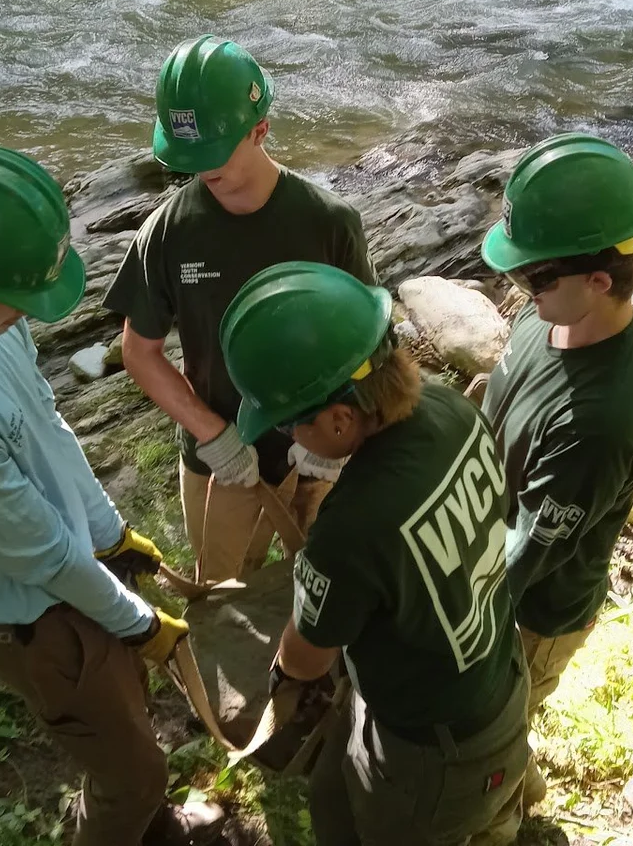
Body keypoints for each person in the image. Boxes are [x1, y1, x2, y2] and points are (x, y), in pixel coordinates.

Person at [0, 145, 221, 846]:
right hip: (42, 622)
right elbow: (45, 560)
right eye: (17, 299)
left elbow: (48, 428)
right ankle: (127, 819)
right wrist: (139, 620)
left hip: (78, 578)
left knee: (130, 731)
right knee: (130, 772)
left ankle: (148, 828)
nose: (28, 313)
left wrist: (110, 531)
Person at [219, 261, 529, 846]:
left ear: (340, 419)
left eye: (287, 425)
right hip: (493, 675)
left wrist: (284, 669)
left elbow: (307, 658)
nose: (285, 438)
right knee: (342, 806)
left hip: (430, 749)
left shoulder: (351, 528)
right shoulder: (451, 410)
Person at [104, 35, 375, 583]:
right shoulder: (169, 234)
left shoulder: (328, 223)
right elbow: (140, 352)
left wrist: (342, 435)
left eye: (214, 154)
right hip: (219, 458)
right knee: (224, 589)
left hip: (322, 445)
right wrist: (212, 435)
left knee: (326, 577)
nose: (203, 171)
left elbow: (370, 341)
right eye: (190, 157)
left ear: (260, 130)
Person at [478, 133, 633, 808]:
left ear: (601, 279)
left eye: (535, 276)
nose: (520, 287)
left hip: (530, 612)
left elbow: (526, 557)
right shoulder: (547, 317)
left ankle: (499, 806)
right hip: (490, 554)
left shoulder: (597, 421)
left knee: (493, 722)